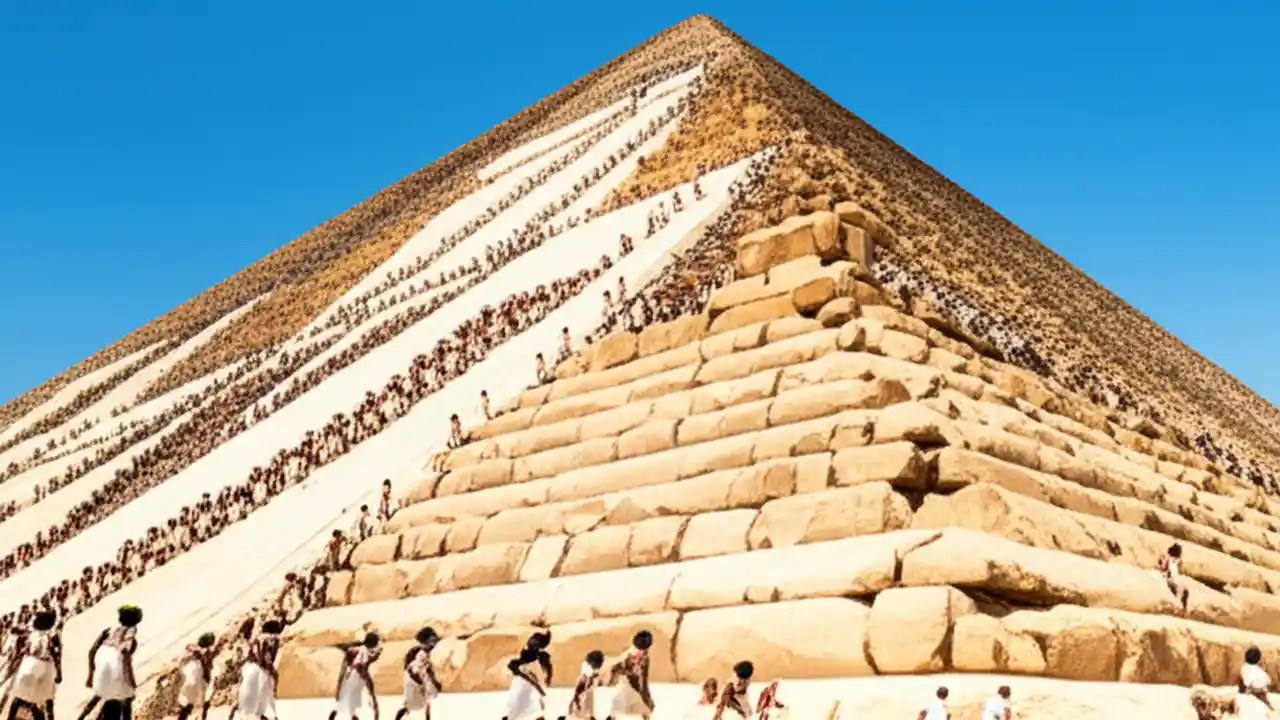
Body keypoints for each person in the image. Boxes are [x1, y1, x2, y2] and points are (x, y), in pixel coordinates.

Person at [79, 605, 142, 720]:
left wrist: (90, 675)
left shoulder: (107, 632)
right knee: (127, 698)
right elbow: (126, 662)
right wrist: (132, 682)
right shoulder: (131, 639)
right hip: (117, 667)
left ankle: (82, 717)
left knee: (101, 693)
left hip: (100, 664)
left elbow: (92, 651)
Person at [4, 610, 61, 720]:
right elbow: (57, 655)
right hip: (45, 668)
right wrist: (59, 672)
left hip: (29, 665)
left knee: (20, 697)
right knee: (46, 699)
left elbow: (16, 631)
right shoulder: (53, 635)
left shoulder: (32, 631)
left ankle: (10, 718)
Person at [235, 619, 283, 720]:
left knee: (249, 705)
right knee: (261, 702)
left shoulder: (259, 640)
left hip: (250, 669)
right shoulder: (269, 641)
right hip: (259, 671)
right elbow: (264, 659)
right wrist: (272, 672)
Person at [329, 632, 381, 720]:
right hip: (355, 680)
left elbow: (352, 664)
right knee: (353, 706)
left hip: (349, 678)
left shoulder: (358, 649)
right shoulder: (363, 651)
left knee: (346, 707)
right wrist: (367, 680)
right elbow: (359, 666)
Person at [502, 632, 551, 720]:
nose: (530, 642)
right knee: (521, 700)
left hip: (528, 678)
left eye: (534, 641)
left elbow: (545, 670)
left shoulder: (539, 656)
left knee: (529, 701)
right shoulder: (530, 654)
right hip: (525, 678)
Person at [606, 630, 653, 720]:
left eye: (643, 650)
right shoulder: (627, 656)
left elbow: (644, 677)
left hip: (637, 685)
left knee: (644, 707)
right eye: (639, 650)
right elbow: (616, 669)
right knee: (618, 704)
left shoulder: (645, 656)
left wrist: (645, 693)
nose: (641, 652)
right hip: (627, 683)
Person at [396, 628, 440, 720]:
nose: (434, 644)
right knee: (412, 704)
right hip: (413, 680)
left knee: (425, 703)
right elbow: (414, 670)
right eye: (431, 641)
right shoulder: (420, 654)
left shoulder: (425, 653)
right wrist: (422, 682)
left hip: (418, 679)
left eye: (435, 641)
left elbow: (426, 668)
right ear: (425, 642)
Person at [175, 633, 218, 720]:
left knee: (189, 706)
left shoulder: (200, 654)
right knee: (199, 705)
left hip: (197, 682)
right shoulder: (206, 654)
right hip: (202, 682)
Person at [560, 650, 604, 720]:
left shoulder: (589, 675)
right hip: (582, 711)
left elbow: (579, 693)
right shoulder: (590, 675)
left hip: (581, 711)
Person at [1239, 646, 1274, 719]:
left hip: (1247, 694)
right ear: (1259, 660)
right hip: (1259, 696)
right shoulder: (1262, 674)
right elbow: (1268, 684)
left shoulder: (1243, 668)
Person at [1159, 544, 1190, 610]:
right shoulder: (1168, 559)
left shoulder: (1174, 560)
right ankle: (1180, 608)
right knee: (1180, 592)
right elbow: (1165, 568)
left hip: (1173, 578)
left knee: (1184, 592)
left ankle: (1182, 608)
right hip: (1170, 578)